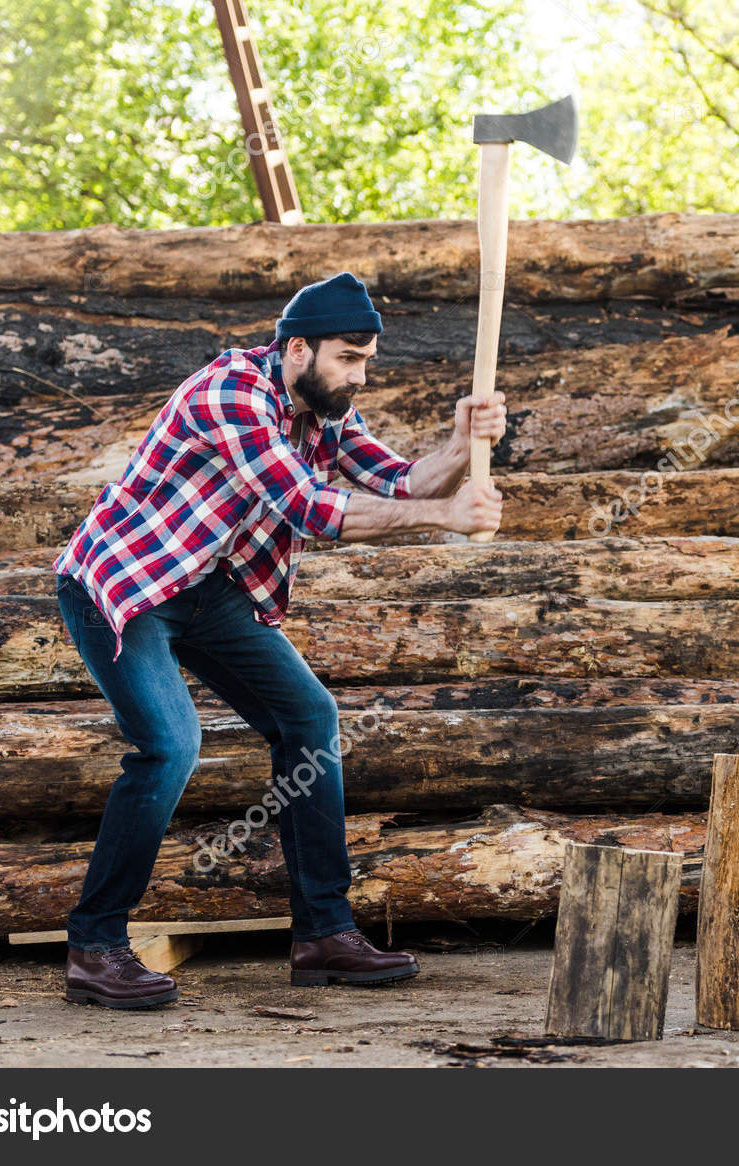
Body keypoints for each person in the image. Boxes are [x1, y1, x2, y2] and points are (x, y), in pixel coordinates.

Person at [52, 273, 505, 1008]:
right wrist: (446, 516)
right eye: (347, 359)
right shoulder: (231, 393)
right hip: (125, 583)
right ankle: (95, 946)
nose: (358, 376)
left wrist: (460, 446)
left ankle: (324, 934)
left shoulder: (322, 408)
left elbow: (399, 481)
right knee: (170, 744)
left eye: (366, 362)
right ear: (297, 349)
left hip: (210, 589)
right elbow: (309, 507)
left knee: (308, 718)